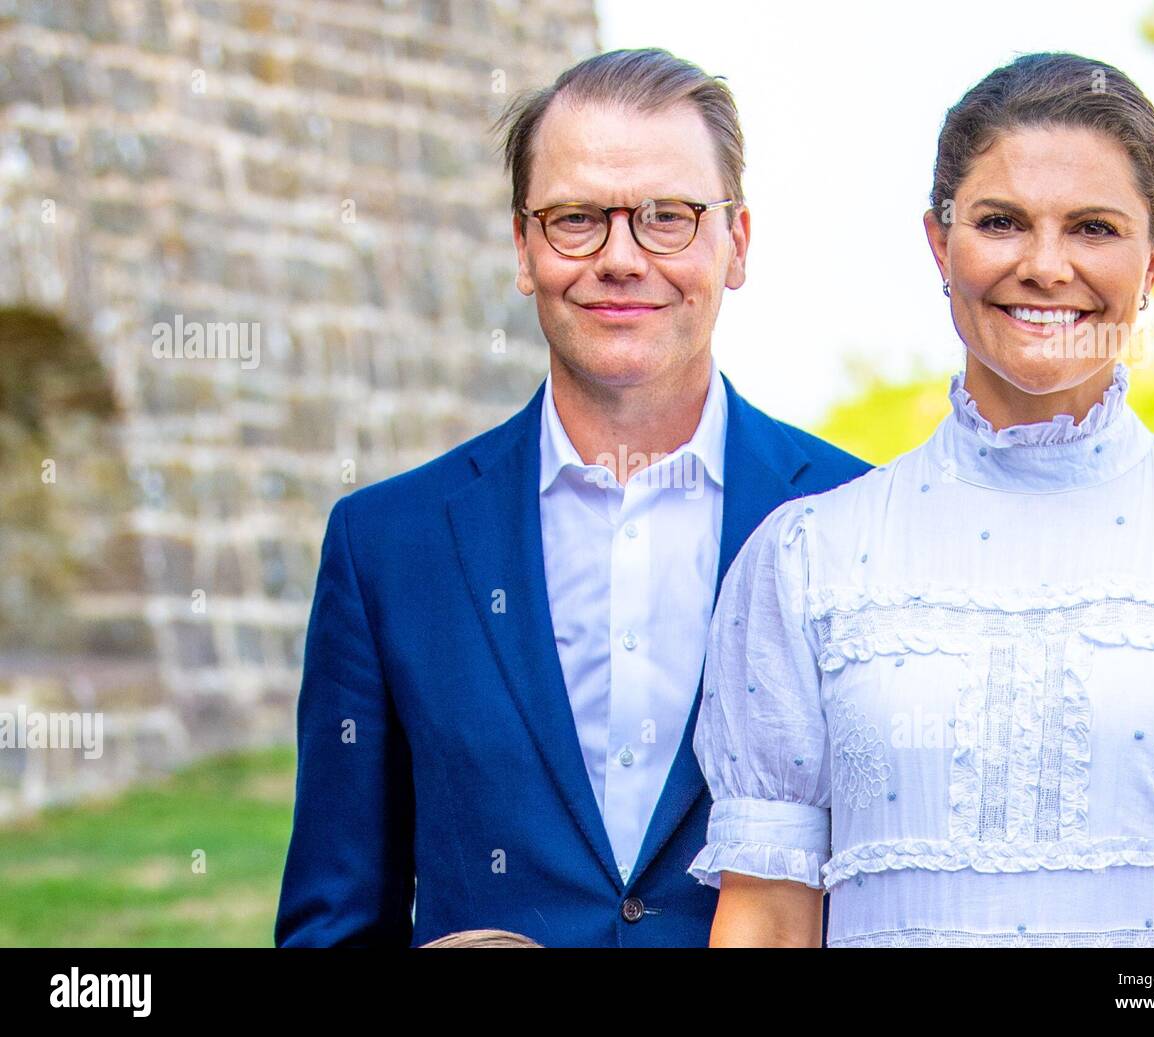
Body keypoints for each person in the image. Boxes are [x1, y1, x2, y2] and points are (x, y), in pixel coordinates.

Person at [689, 51, 1154, 947]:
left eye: (1093, 227)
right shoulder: (808, 556)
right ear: (939, 244)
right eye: (1002, 222)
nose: (1046, 266)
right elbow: (770, 921)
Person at [274, 48, 870, 947]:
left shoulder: (856, 517)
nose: (622, 257)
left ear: (736, 242)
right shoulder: (384, 546)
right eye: (576, 219)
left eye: (669, 217)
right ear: (523, 247)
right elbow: (331, 923)